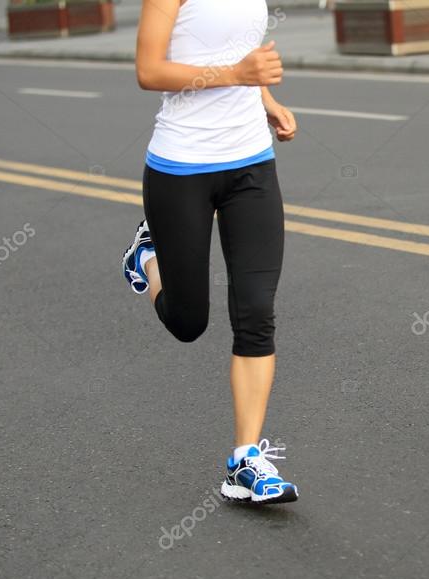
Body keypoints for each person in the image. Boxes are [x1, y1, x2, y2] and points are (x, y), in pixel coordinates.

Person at [120, 0, 299, 504]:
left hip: (251, 164)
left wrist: (264, 97)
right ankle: (147, 255)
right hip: (181, 166)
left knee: (257, 311)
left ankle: (245, 460)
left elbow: (241, 53)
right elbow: (148, 70)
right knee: (187, 322)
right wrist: (238, 74)